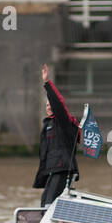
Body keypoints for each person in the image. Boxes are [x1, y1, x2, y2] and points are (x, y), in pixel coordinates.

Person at [34, 63, 81, 206]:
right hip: (52, 170)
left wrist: (47, 83)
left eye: (50, 105)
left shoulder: (64, 122)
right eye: (46, 106)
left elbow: (58, 103)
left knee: (50, 202)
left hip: (63, 169)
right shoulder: (48, 124)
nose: (48, 108)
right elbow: (45, 153)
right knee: (44, 202)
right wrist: (42, 174)